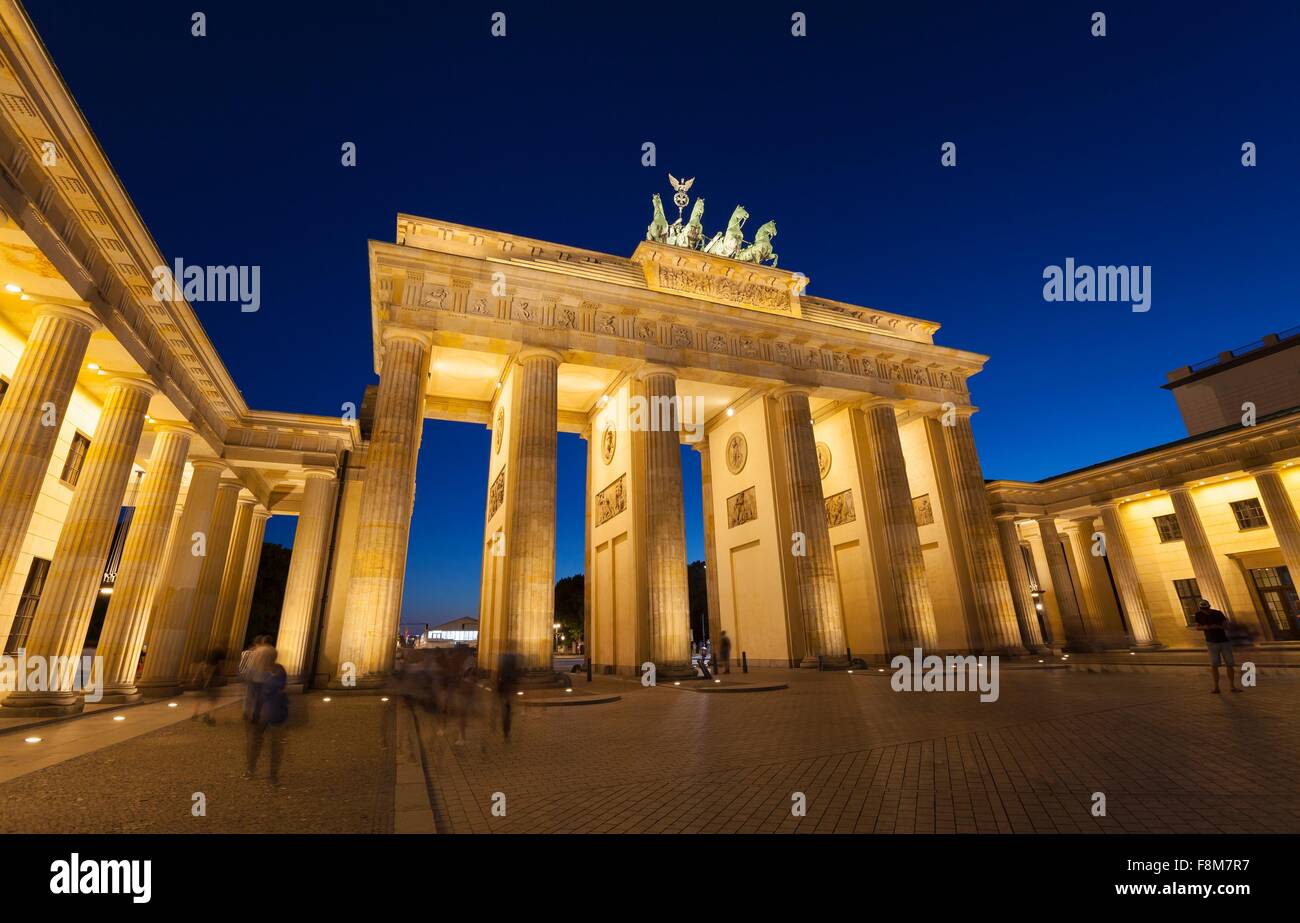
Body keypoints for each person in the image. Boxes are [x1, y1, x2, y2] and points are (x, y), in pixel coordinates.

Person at [245, 660, 289, 784]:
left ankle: (251, 770)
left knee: (258, 743)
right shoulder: (279, 679)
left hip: (265, 714)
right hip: (275, 715)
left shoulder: (265, 679)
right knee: (275, 746)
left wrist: (253, 713)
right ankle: (272, 775)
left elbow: (257, 697)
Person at [1193, 599, 1240, 694]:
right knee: (1214, 665)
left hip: (1223, 641)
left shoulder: (1218, 613)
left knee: (1229, 664)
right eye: (1203, 609)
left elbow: (1226, 624)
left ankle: (1232, 686)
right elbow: (1197, 627)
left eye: (1206, 609)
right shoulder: (1198, 614)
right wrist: (1207, 627)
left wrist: (1219, 627)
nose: (1205, 611)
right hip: (1211, 642)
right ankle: (1216, 687)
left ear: (1209, 607)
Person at [190, 648, 223, 724]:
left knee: (199, 700)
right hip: (212, 685)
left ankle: (195, 714)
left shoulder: (203, 663)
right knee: (212, 702)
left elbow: (198, 673)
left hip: (202, 684)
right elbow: (220, 675)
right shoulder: (217, 665)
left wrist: (195, 680)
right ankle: (211, 718)